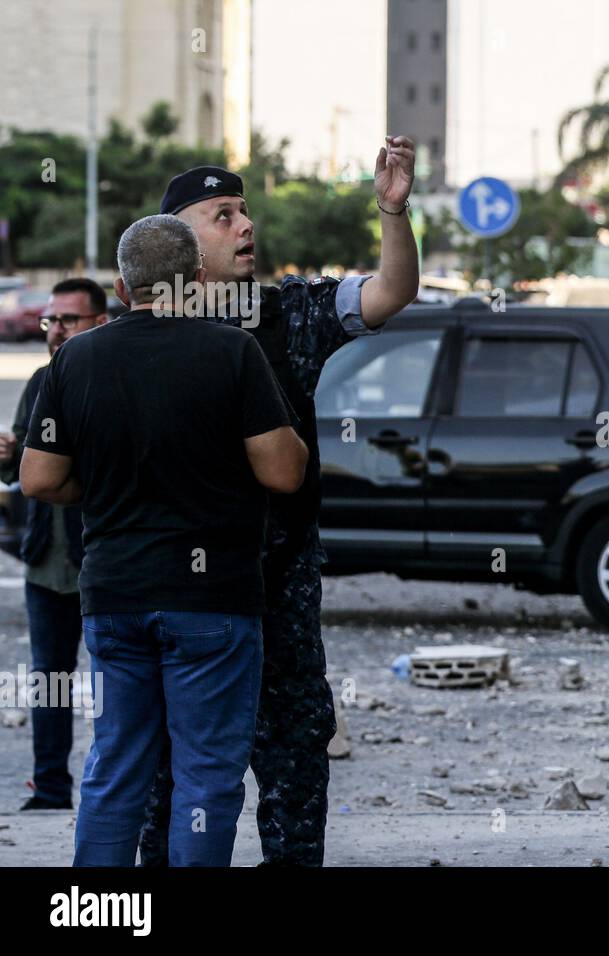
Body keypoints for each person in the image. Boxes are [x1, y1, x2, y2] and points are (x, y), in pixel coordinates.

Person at [140, 136, 418, 866]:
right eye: (222, 215)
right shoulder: (144, 330)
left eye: (245, 211)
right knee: (172, 762)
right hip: (178, 584)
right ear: (176, 239)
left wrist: (394, 210)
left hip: (276, 581)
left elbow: (389, 294)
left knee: (294, 754)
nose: (245, 225)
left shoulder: (287, 311)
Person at [20, 214, 307, 866]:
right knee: (206, 774)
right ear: (199, 279)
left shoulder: (77, 359)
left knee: (116, 763)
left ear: (123, 288)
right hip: (213, 600)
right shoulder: (232, 352)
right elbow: (284, 471)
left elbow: (40, 478)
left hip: (116, 593)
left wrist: (108, 484)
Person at [0, 278, 107, 810]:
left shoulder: (116, 376)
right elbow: (24, 472)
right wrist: (8, 454)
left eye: (69, 320)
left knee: (119, 682)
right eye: (50, 321)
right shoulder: (42, 380)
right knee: (49, 680)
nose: (56, 331)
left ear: (100, 323)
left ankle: (111, 795)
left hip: (106, 559)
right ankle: (50, 789)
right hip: (47, 561)